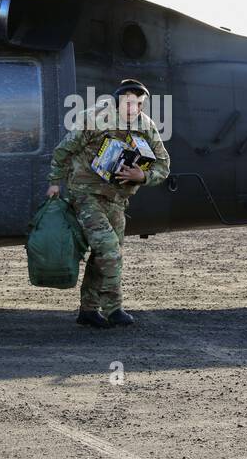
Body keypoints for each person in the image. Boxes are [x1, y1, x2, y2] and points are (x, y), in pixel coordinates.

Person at [46, 79, 170, 328]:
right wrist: (55, 182)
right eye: (128, 102)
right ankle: (113, 308)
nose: (133, 108)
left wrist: (142, 176)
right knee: (110, 250)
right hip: (85, 195)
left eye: (139, 104)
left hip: (117, 199)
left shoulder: (146, 125)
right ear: (117, 101)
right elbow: (63, 150)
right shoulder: (94, 118)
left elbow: (163, 165)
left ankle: (88, 311)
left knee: (101, 255)